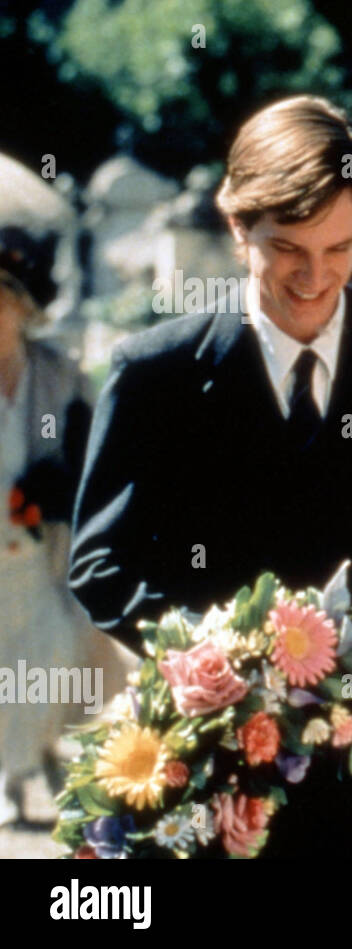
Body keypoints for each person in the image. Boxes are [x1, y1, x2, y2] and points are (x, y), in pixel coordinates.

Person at [69, 95, 352, 857]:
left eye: (340, 247)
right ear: (236, 225)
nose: (317, 278)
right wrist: (211, 661)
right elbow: (99, 562)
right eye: (288, 248)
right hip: (217, 775)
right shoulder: (155, 371)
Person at [0, 223, 133, 826]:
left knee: (53, 648)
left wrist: (49, 490)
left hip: (42, 542)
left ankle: (41, 756)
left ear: (25, 309)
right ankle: (12, 773)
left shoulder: (55, 371)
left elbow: (86, 454)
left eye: (6, 301)